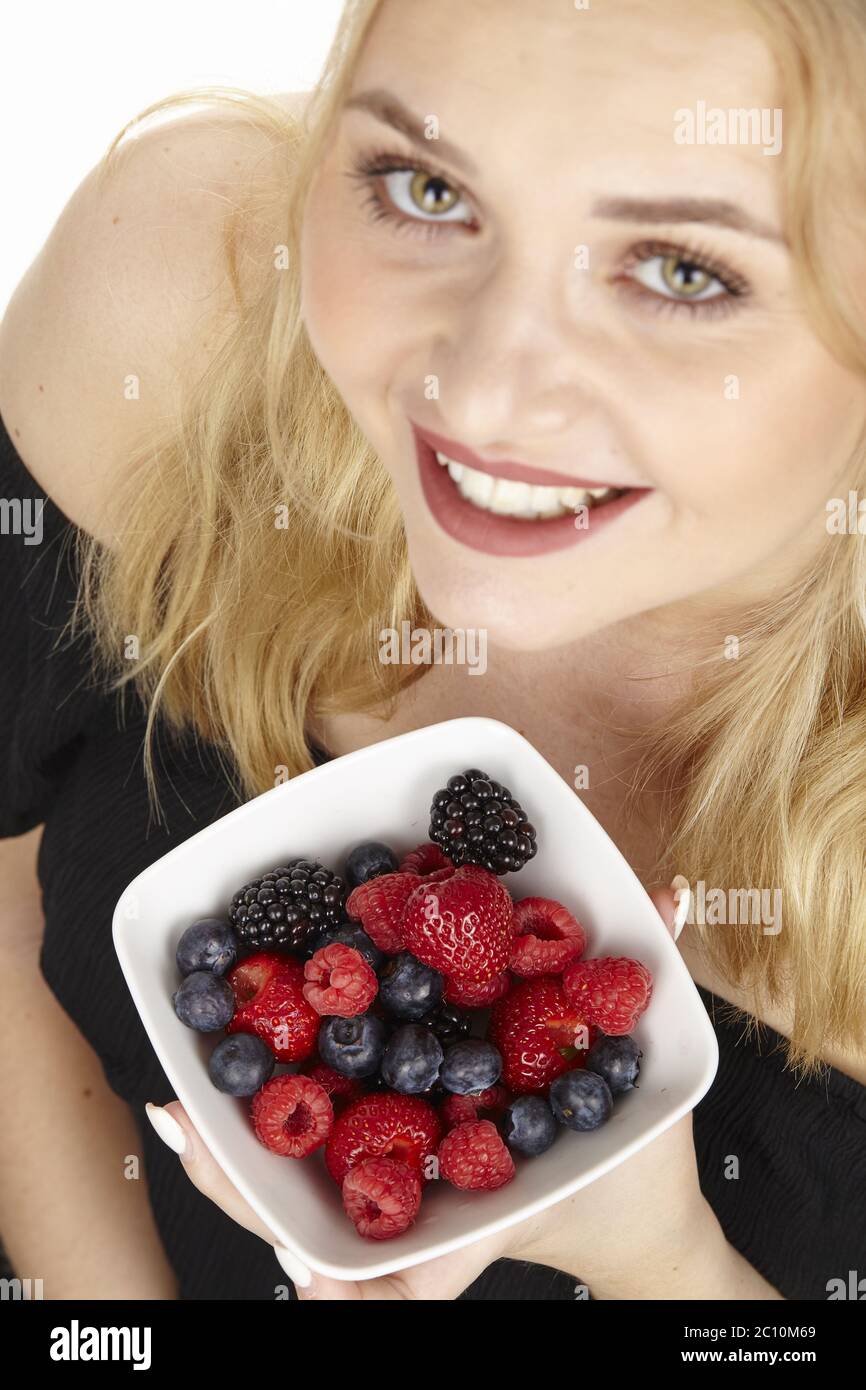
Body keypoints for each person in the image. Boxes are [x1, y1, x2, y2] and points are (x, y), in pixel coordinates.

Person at [1, 0, 864, 1301]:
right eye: (424, 186)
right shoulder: (187, 299)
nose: (483, 392)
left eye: (685, 269)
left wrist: (661, 1260)